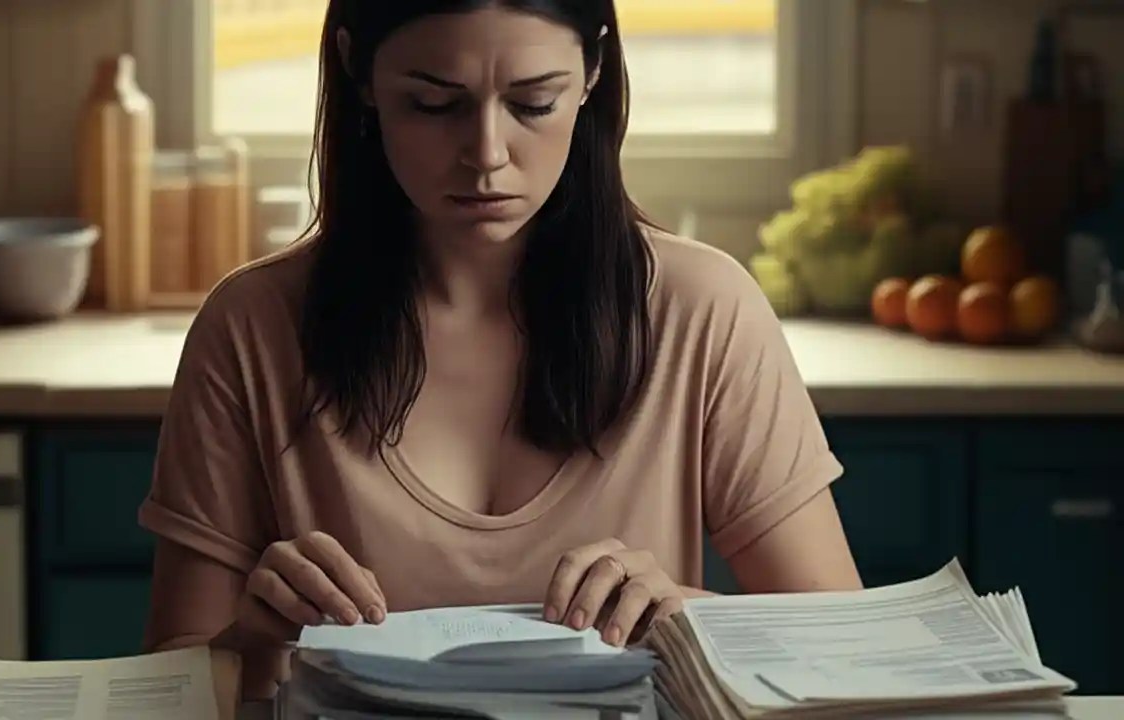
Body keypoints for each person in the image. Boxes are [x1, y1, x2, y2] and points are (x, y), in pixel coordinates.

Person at [138, 0, 863, 700]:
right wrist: (255, 641)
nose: (486, 155)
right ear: (359, 73)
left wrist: (694, 619)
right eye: (434, 104)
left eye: (533, 104)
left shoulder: (703, 310)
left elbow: (847, 650)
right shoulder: (252, 327)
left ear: (594, 72)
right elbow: (170, 677)